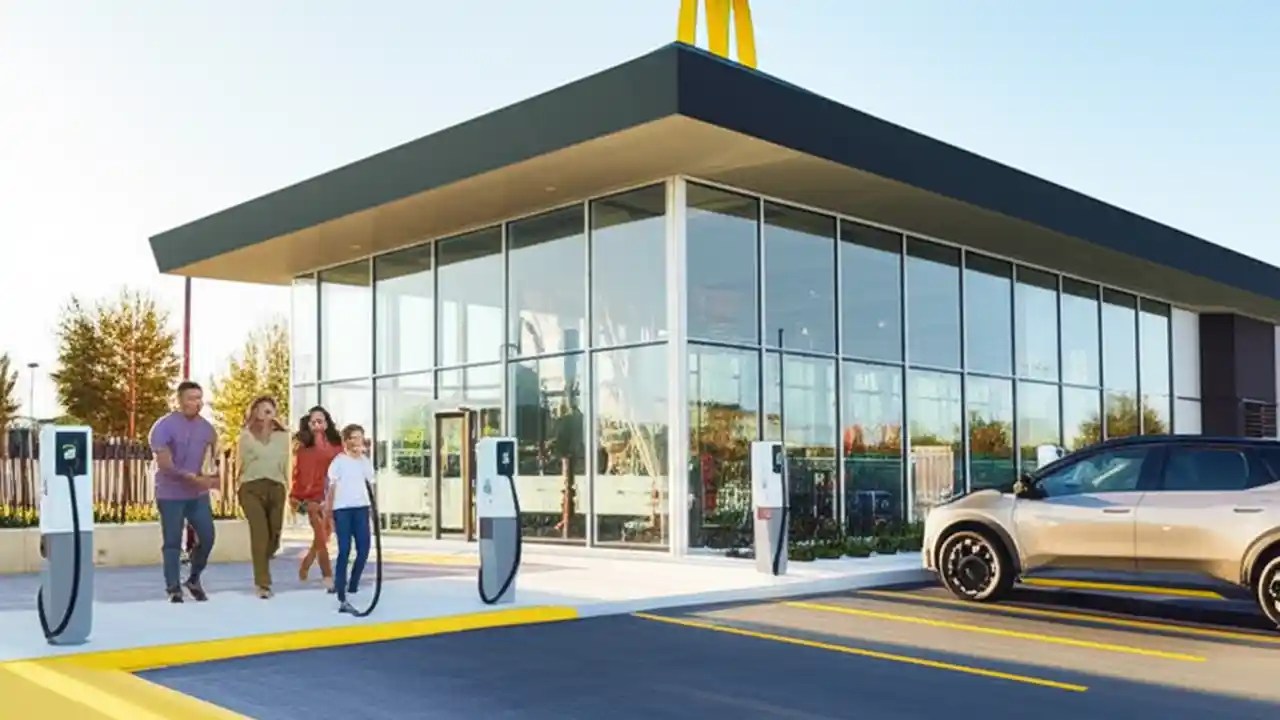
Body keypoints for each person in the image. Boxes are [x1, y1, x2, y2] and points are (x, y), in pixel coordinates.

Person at [149, 380, 219, 603]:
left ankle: (194, 578)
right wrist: (189, 476)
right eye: (191, 398)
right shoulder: (163, 427)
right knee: (172, 541)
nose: (196, 403)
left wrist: (212, 479)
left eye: (199, 398)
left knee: (207, 537)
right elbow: (164, 463)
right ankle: (173, 588)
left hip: (197, 495)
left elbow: (212, 461)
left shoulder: (207, 429)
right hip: (170, 494)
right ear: (179, 400)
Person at [236, 396, 291, 599]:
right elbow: (239, 463)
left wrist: (290, 490)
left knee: (274, 537)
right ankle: (263, 584)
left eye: (270, 409)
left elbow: (287, 464)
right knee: (259, 535)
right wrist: (236, 487)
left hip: (276, 487)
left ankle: (263, 559)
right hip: (251, 487)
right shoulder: (245, 436)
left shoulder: (283, 437)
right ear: (255, 412)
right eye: (262, 409)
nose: (267, 413)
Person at [326, 423, 375, 614]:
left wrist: (374, 509)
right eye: (353, 438)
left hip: (361, 508)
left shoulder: (364, 461)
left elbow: (371, 483)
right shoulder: (338, 462)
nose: (357, 441)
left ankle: (353, 583)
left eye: (360, 437)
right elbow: (331, 488)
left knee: (364, 548)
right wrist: (329, 512)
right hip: (343, 510)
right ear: (346, 441)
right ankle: (341, 590)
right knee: (344, 549)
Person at [291, 406, 342, 585]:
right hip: (312, 497)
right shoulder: (304, 449)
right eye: (313, 422)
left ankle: (306, 564)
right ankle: (327, 576)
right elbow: (298, 474)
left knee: (324, 536)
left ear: (327, 423)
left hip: (332, 497)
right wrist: (295, 496)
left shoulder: (337, 447)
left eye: (320, 420)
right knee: (320, 536)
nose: (317, 424)